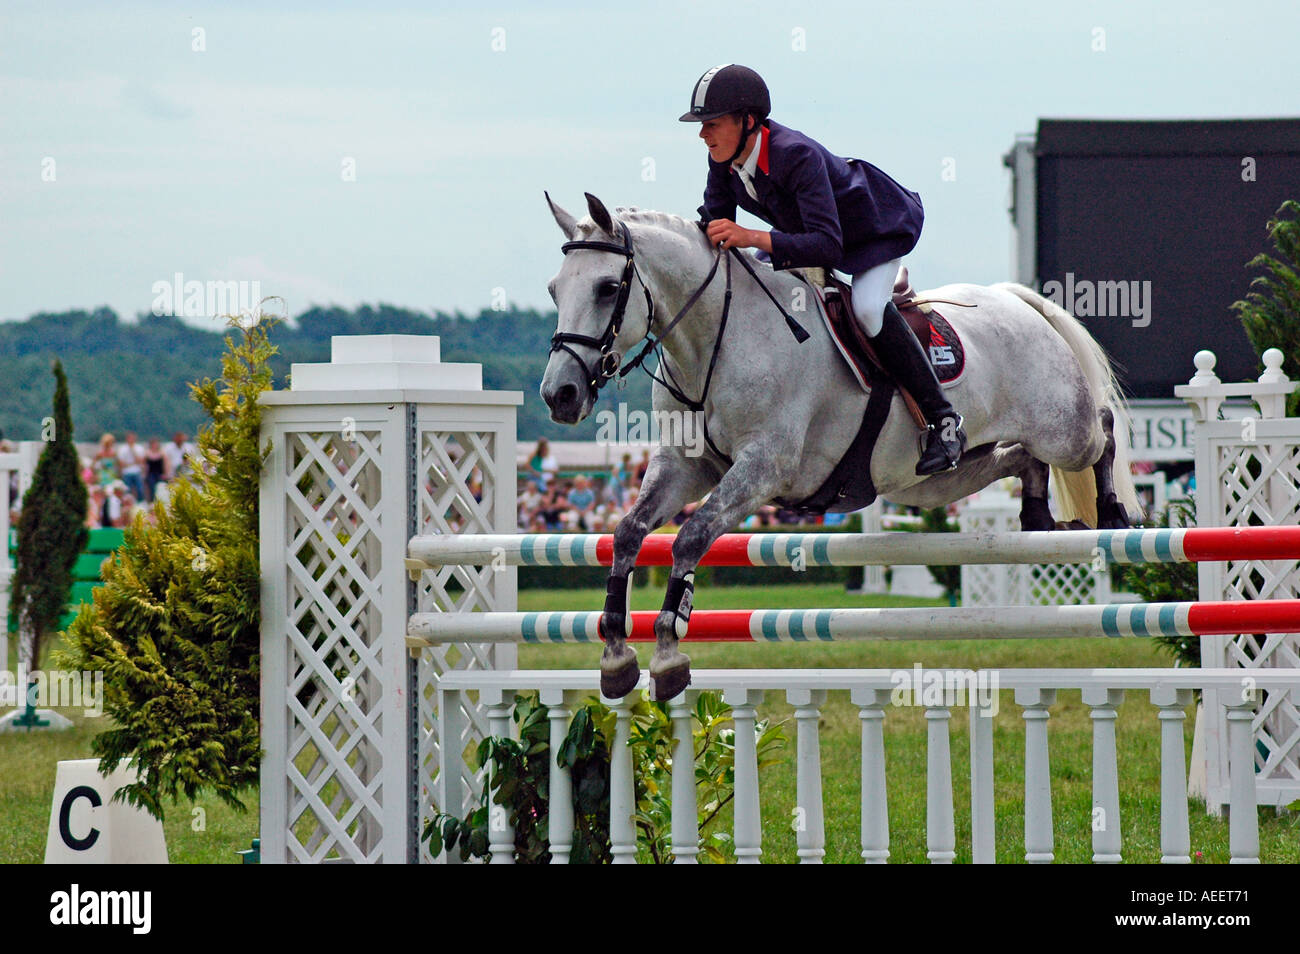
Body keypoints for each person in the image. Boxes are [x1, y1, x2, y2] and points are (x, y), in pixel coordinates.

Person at [681, 64, 966, 475]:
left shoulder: (796, 155)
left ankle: (944, 422)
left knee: (868, 309)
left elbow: (828, 246)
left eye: (711, 124)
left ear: (747, 121)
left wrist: (754, 237)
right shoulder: (722, 161)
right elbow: (719, 230)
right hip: (807, 237)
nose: (702, 134)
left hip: (872, 233)